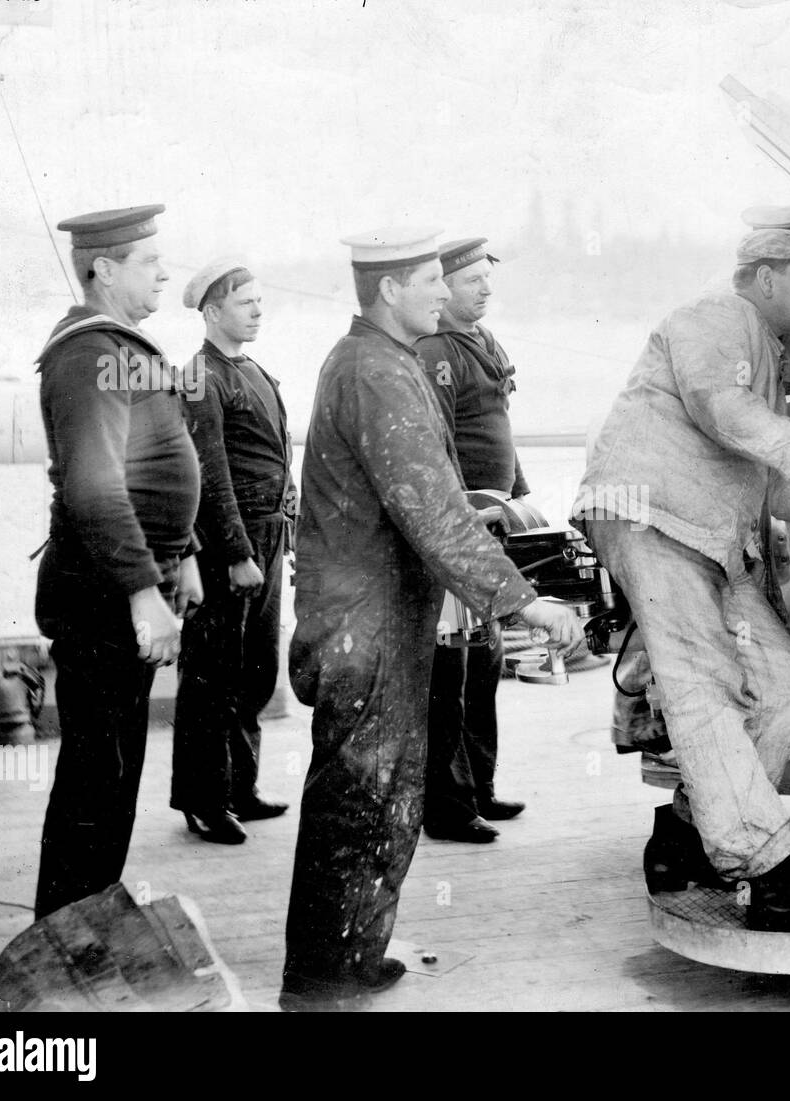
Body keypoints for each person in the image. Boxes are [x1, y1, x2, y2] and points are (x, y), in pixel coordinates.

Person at [281, 226, 582, 1010]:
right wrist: (525, 600)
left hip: (375, 614)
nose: (446, 293)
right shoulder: (377, 373)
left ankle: (347, 956)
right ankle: (320, 978)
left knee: (377, 794)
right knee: (361, 797)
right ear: (389, 290)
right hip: (365, 622)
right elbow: (435, 511)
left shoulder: (381, 362)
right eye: (430, 281)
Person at [573, 228, 790, 935]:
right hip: (652, 518)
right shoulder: (718, 317)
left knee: (788, 688)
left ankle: (685, 837)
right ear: (762, 277)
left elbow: (776, 492)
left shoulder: (769, 366)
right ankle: (775, 877)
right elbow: (719, 408)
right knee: (702, 684)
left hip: (712, 542)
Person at [33, 205, 203, 919]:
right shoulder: (86, 355)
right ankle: (61, 938)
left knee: (115, 771)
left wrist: (184, 554)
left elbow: (148, 464)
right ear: (103, 269)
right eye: (148, 259)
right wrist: (142, 592)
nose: (165, 270)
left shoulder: (123, 349)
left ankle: (88, 922)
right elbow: (94, 487)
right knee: (96, 777)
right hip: (102, 596)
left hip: (128, 585)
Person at [170, 258, 295, 845]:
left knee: (255, 670)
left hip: (269, 538)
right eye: (246, 302)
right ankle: (204, 800)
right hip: (232, 544)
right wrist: (236, 552)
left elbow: (274, 457)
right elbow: (210, 474)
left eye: (259, 301)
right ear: (212, 310)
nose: (257, 311)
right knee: (211, 674)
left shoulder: (253, 371)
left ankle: (239, 788)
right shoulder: (201, 375)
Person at [417, 236, 529, 843]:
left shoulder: (483, 343)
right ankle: (449, 807)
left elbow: (497, 426)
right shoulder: (436, 350)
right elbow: (435, 445)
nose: (485, 288)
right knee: (451, 674)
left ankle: (479, 788)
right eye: (473, 280)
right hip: (463, 528)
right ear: (444, 286)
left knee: (485, 666)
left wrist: (521, 494)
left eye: (488, 278)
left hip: (495, 517)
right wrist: (464, 518)